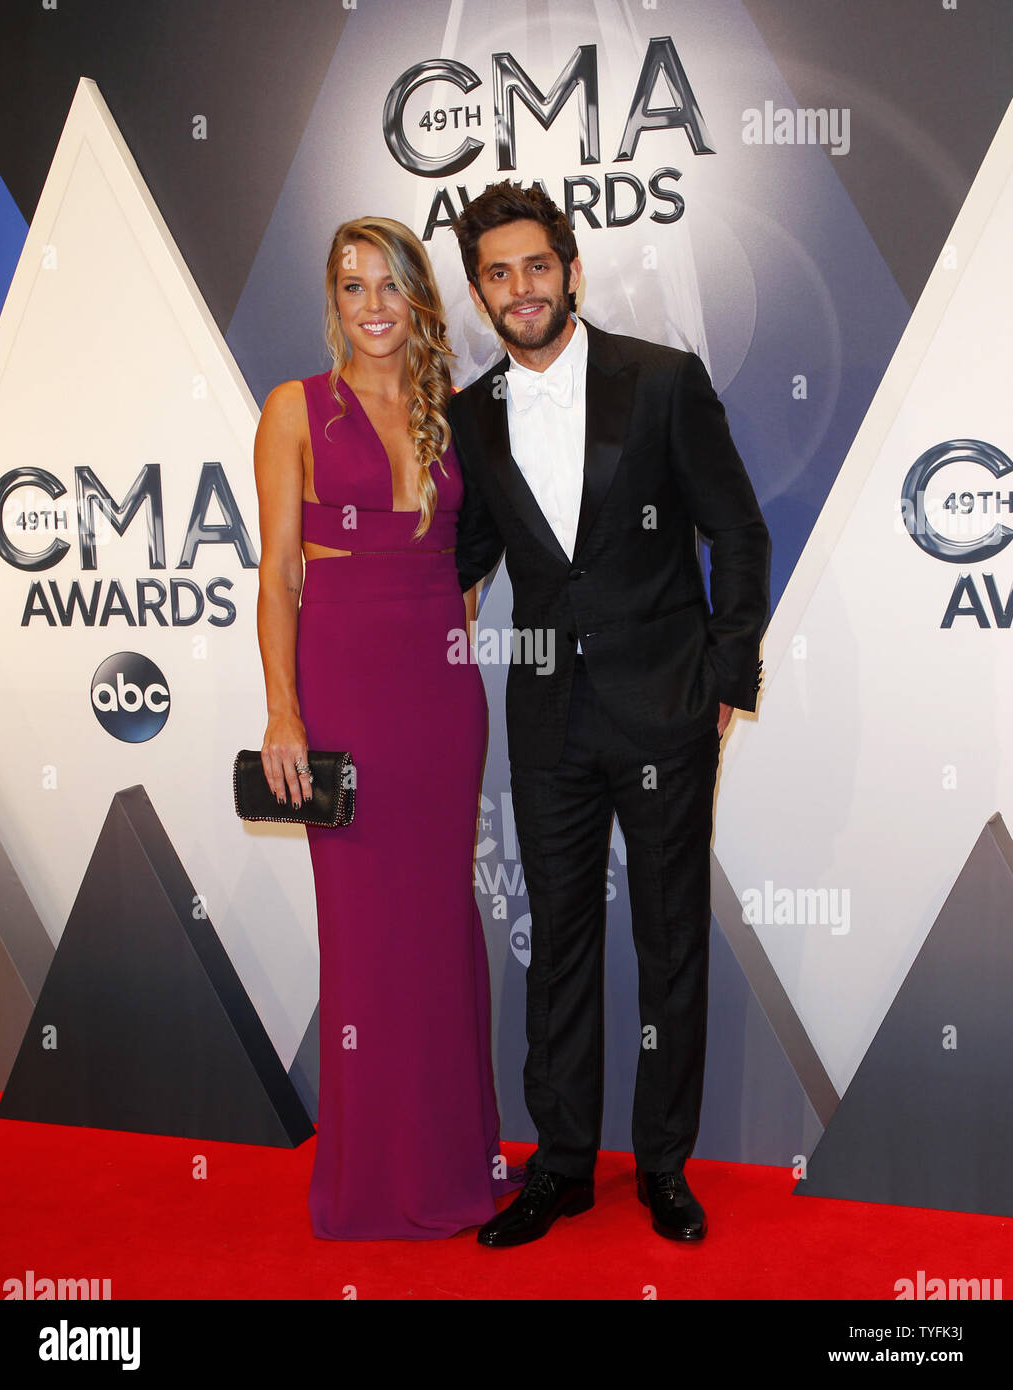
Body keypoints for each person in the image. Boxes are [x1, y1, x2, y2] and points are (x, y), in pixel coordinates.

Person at [449, 182, 770, 1247]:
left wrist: (724, 679)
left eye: (535, 265)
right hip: (548, 718)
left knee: (671, 940)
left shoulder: (664, 381)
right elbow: (462, 564)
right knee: (559, 944)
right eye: (496, 272)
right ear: (478, 291)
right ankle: (564, 1165)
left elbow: (738, 531)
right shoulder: (469, 416)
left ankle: (666, 1167)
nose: (520, 287)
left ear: (571, 270)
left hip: (665, 706)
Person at [252, 216, 516, 1239]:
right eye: (351, 286)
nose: (370, 306)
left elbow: (472, 550)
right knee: (365, 933)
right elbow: (279, 573)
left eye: (388, 285)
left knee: (440, 921)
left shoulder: (452, 412)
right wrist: (283, 706)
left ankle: (456, 1158)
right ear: (333, 301)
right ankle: (374, 1178)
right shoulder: (294, 409)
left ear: (416, 299)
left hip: (440, 691)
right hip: (345, 679)